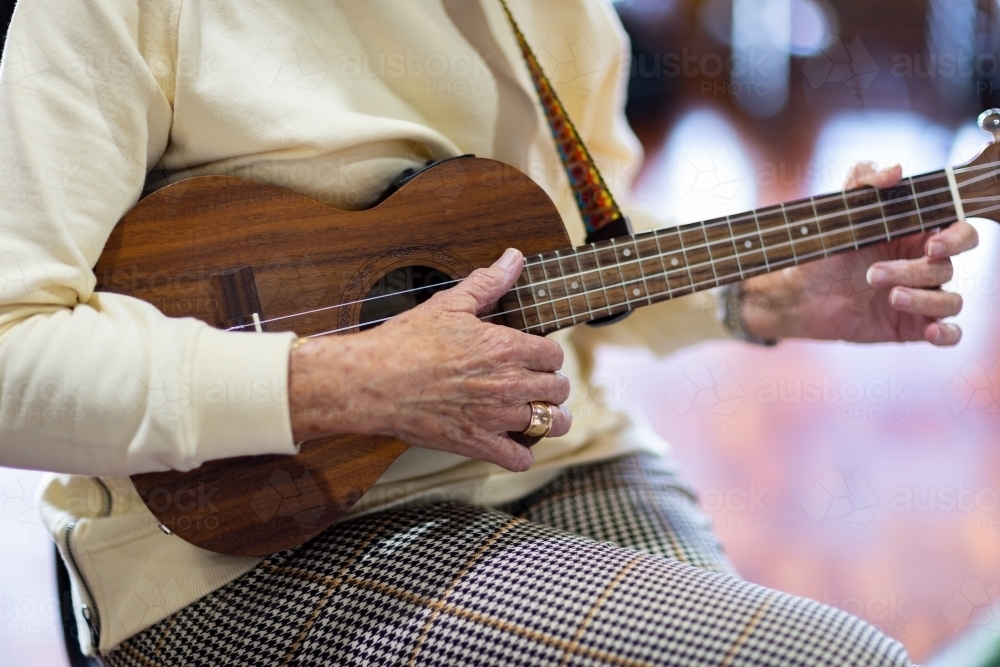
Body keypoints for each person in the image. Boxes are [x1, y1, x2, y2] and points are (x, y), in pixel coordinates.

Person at [0, 0, 977, 665]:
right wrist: (342, 383)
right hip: (236, 542)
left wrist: (764, 296)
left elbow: (568, 258)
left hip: (554, 455)